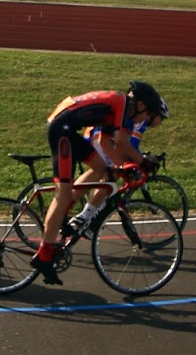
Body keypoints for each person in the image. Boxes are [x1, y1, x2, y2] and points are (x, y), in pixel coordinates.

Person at [32, 80, 169, 284]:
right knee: (62, 194)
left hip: (67, 129)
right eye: (147, 115)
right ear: (141, 105)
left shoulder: (121, 108)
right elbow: (121, 142)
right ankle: (44, 256)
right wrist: (143, 162)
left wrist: (120, 168)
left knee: (101, 169)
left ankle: (63, 216)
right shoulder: (124, 104)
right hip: (62, 131)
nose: (145, 120)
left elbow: (106, 142)